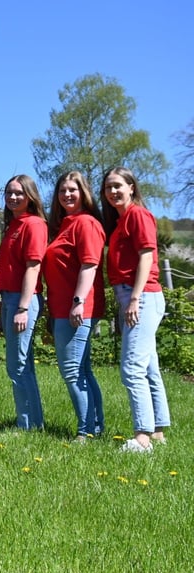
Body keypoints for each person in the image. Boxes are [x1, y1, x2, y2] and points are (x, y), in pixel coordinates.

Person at [102, 167, 169, 453]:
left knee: (131, 368)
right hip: (132, 295)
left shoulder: (138, 215)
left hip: (140, 295)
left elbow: (146, 256)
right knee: (148, 366)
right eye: (108, 188)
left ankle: (141, 436)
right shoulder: (120, 221)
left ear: (131, 187)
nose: (113, 192)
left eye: (118, 186)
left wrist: (135, 299)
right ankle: (158, 432)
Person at [43, 171, 104, 441]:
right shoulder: (64, 225)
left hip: (79, 308)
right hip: (59, 308)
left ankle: (85, 430)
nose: (67, 195)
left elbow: (89, 264)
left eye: (73, 190)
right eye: (62, 190)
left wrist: (78, 302)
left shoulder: (86, 223)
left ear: (84, 193)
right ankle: (95, 426)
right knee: (81, 369)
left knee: (71, 370)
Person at [0, 175, 48, 430]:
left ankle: (27, 425)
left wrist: (23, 307)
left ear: (30, 196)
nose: (13, 197)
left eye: (19, 193)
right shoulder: (13, 225)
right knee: (21, 365)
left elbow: (33, 267)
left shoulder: (34, 224)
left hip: (22, 299)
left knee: (17, 365)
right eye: (9, 192)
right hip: (9, 297)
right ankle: (33, 423)